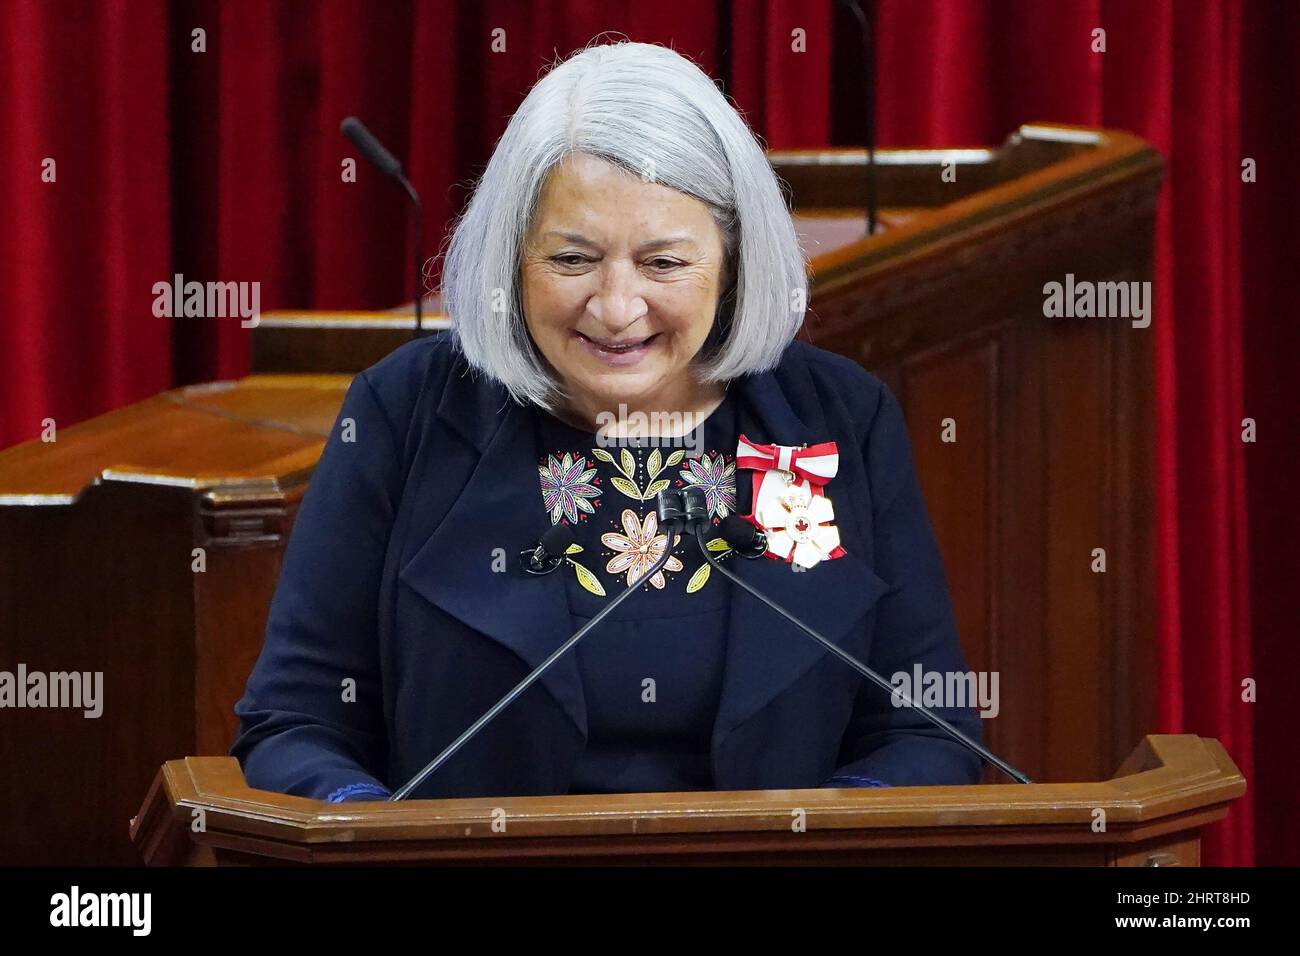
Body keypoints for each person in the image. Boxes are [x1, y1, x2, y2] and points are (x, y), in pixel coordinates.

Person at [231, 41, 983, 803]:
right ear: (511, 255)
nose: (617, 307)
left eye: (662, 264)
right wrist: (371, 838)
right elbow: (295, 723)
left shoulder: (840, 417)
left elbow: (926, 728)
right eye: (572, 259)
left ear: (733, 262)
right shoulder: (403, 415)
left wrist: (824, 841)